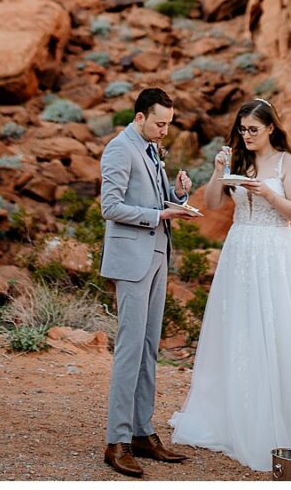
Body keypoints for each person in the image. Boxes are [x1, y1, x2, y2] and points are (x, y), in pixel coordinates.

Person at [168, 98, 291, 471]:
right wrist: (218, 171)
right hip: (239, 249)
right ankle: (233, 416)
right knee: (238, 329)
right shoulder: (239, 161)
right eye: (242, 129)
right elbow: (214, 204)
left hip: (275, 251)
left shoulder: (288, 163)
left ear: (270, 129)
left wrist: (270, 195)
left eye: (253, 129)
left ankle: (279, 421)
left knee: (278, 328)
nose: (246, 135)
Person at [100, 86, 195, 477]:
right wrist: (160, 217)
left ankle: (142, 431)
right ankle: (116, 440)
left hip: (157, 256)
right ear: (139, 117)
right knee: (129, 350)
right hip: (133, 259)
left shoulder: (150, 148)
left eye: (169, 124)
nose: (164, 131)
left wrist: (176, 195)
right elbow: (111, 206)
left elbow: (152, 201)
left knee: (149, 349)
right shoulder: (120, 148)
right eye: (159, 123)